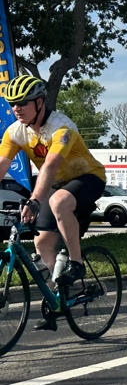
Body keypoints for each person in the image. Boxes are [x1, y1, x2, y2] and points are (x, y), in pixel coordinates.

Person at [0, 74, 106, 330]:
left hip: (88, 178)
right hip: (57, 185)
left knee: (58, 201)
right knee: (42, 242)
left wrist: (35, 200)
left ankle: (77, 264)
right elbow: (1, 165)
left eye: (22, 103)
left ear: (39, 103)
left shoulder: (61, 127)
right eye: (12, 104)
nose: (16, 108)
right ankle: (58, 299)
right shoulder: (15, 132)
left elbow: (50, 165)